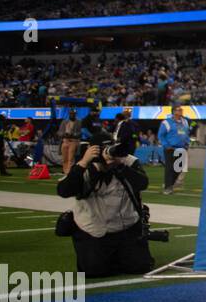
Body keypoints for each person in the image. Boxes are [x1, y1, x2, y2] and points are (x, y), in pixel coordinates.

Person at [56, 131, 153, 278]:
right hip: (94, 229)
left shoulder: (128, 161)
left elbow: (142, 183)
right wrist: (85, 163)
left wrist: (119, 166)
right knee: (95, 271)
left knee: (140, 267)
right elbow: (64, 190)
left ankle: (120, 256)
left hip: (127, 226)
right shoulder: (85, 166)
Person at [157, 105, 190, 195]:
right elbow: (161, 135)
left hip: (182, 148)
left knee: (179, 168)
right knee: (169, 168)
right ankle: (168, 188)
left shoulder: (185, 122)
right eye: (179, 110)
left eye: (181, 110)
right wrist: (166, 145)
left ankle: (169, 184)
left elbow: (186, 133)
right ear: (174, 112)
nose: (181, 111)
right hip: (170, 148)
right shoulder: (166, 122)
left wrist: (187, 143)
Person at [57, 108, 81, 178]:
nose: (72, 115)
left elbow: (80, 133)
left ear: (75, 114)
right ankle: (65, 172)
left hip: (73, 141)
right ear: (69, 114)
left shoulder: (78, 122)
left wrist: (73, 134)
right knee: (64, 158)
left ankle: (69, 173)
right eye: (71, 113)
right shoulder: (64, 122)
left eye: (73, 114)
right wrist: (64, 134)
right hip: (65, 141)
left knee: (71, 158)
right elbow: (59, 132)